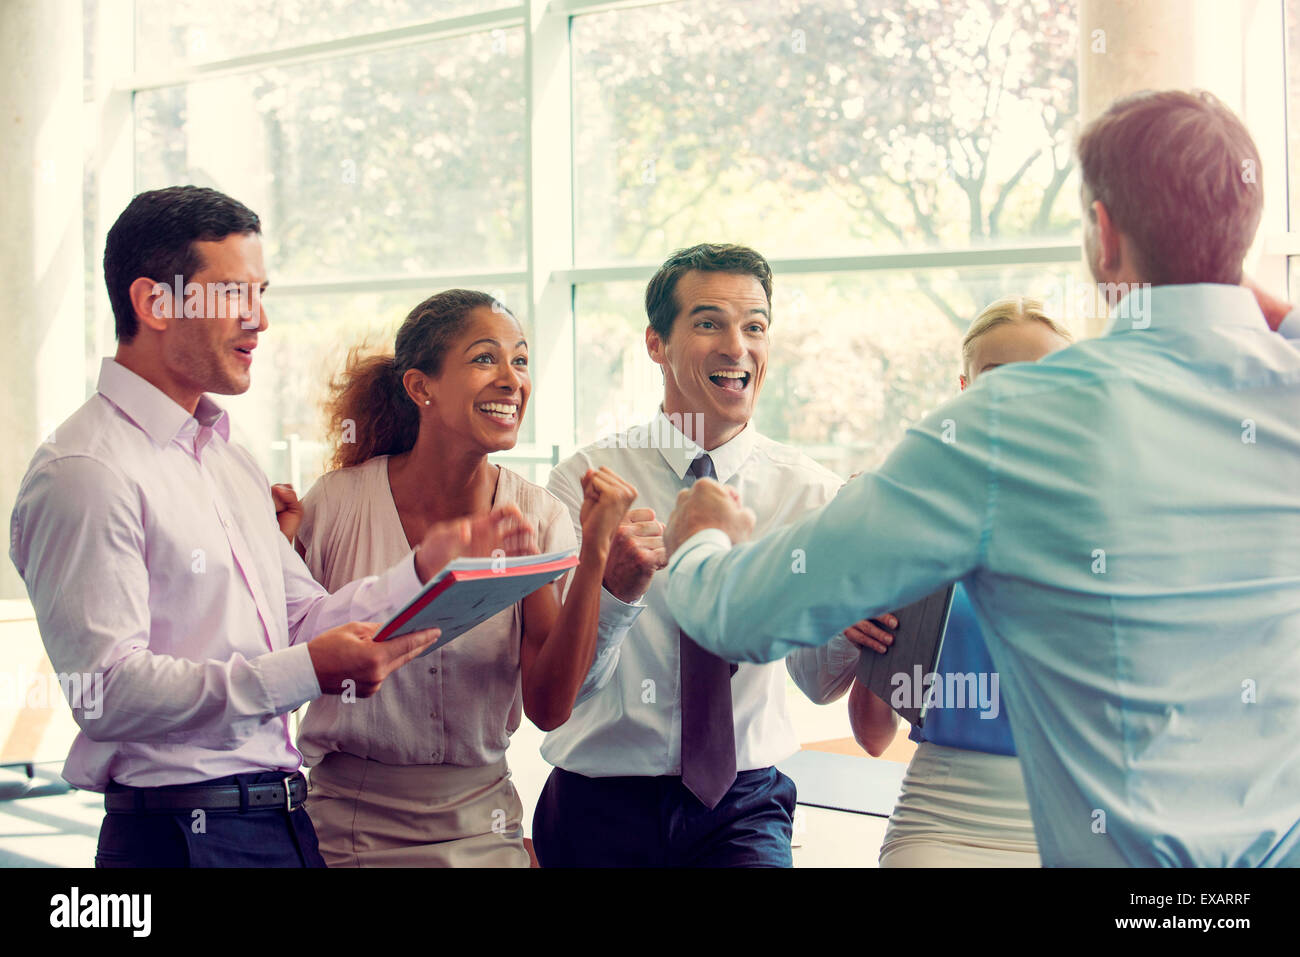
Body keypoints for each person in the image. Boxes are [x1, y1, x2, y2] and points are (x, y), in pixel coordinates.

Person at [662, 90, 1300, 867]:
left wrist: (702, 537)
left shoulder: (1006, 426)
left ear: (1104, 235)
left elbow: (737, 617)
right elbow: (868, 713)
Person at [7, 187, 534, 868]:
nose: (259, 320)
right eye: (234, 294)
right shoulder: (86, 469)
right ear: (154, 302)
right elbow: (106, 692)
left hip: (280, 821)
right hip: (180, 836)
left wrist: (421, 572)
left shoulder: (228, 458)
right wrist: (307, 670)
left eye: (262, 293)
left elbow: (301, 616)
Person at [530, 243, 897, 868]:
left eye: (755, 326)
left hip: (743, 804)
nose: (737, 346)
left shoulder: (811, 492)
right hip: (599, 801)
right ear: (655, 344)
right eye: (709, 323)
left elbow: (818, 682)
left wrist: (855, 618)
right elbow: (565, 694)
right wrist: (616, 591)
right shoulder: (584, 480)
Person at [290, 289, 637, 867]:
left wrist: (596, 551)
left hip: (484, 827)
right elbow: (279, 661)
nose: (511, 379)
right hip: (346, 829)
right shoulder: (336, 503)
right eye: (485, 359)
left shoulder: (539, 515)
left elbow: (549, 708)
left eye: (520, 360)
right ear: (421, 387)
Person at [790, 295, 1072, 867]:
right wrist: (858, 618)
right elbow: (873, 735)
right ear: (965, 391)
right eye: (998, 381)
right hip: (943, 818)